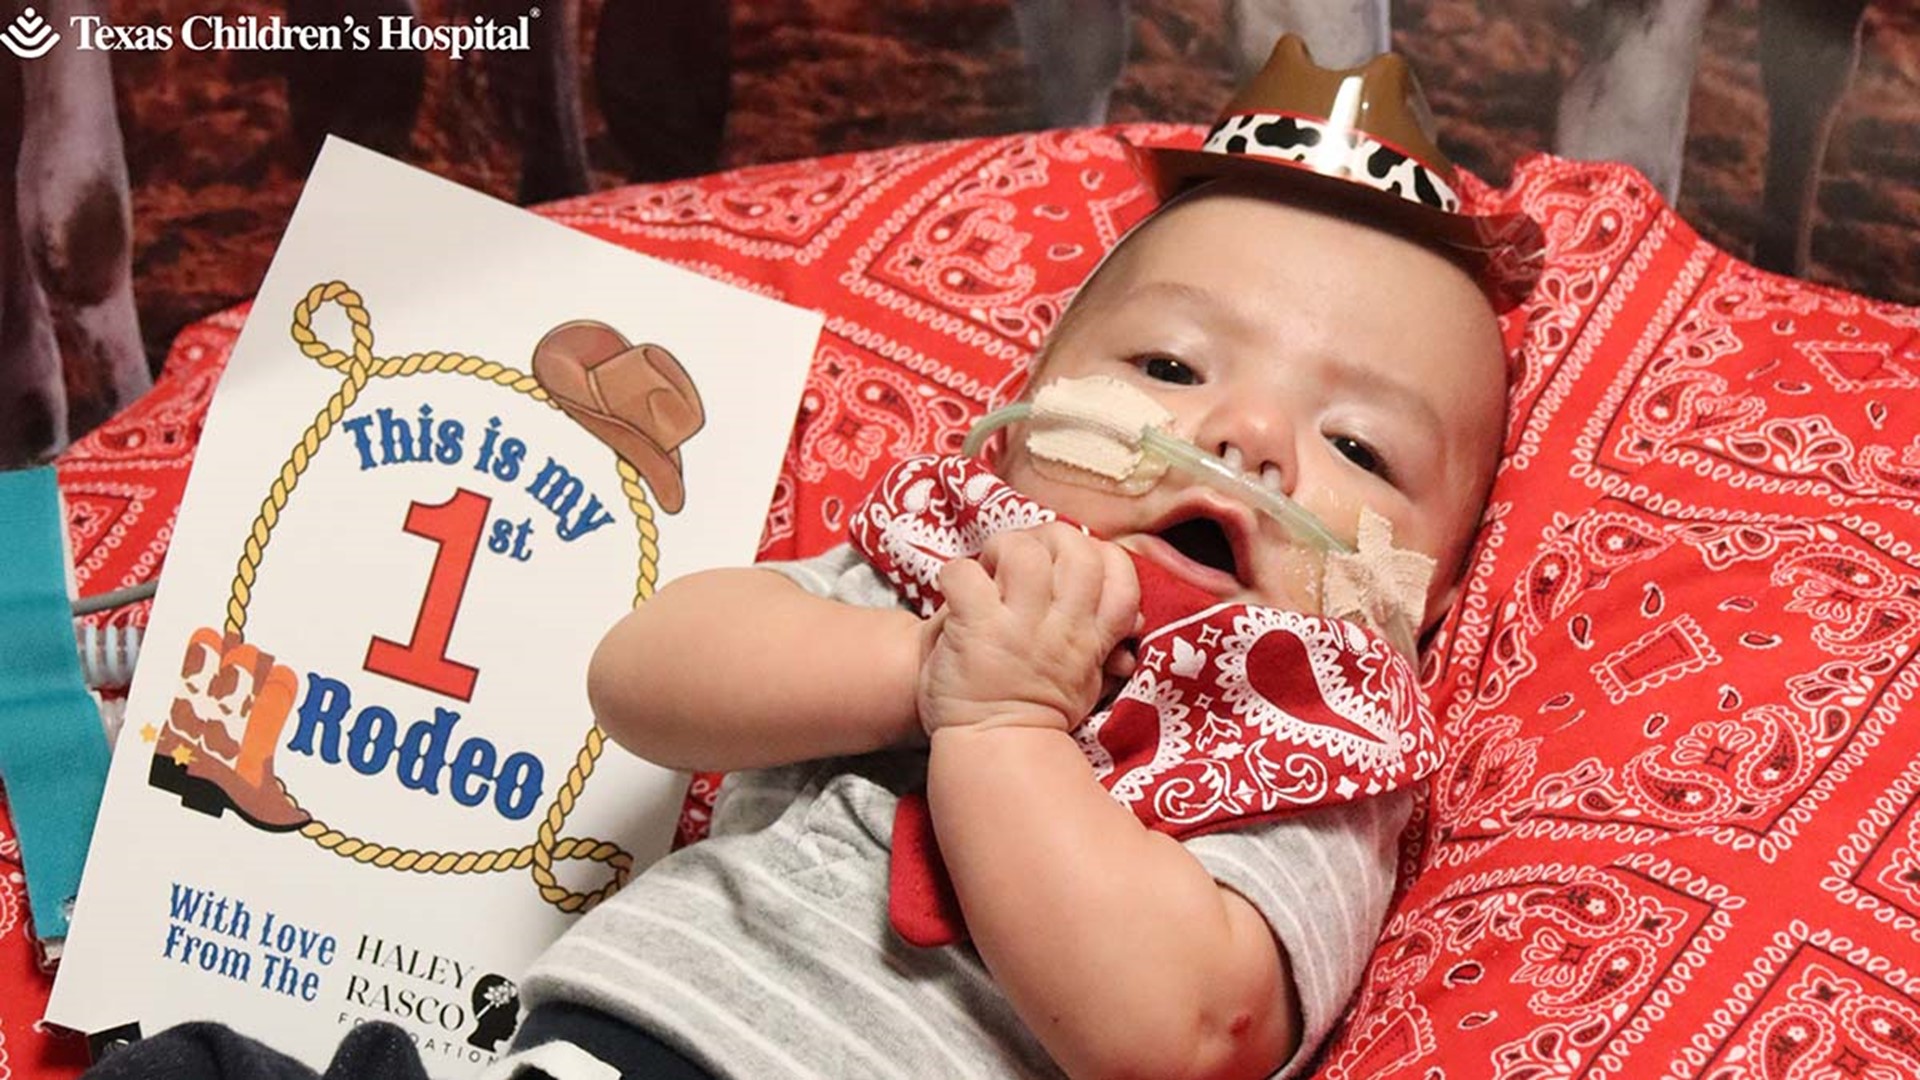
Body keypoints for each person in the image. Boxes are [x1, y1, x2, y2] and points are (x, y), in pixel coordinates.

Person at [81, 33, 1538, 1080]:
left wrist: (1006, 727)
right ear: (1009, 433)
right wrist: (927, 663)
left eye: (1360, 453)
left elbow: (1183, 1032)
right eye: (1166, 365)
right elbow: (644, 676)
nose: (1250, 445)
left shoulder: (1306, 742)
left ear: (1422, 598)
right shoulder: (941, 575)